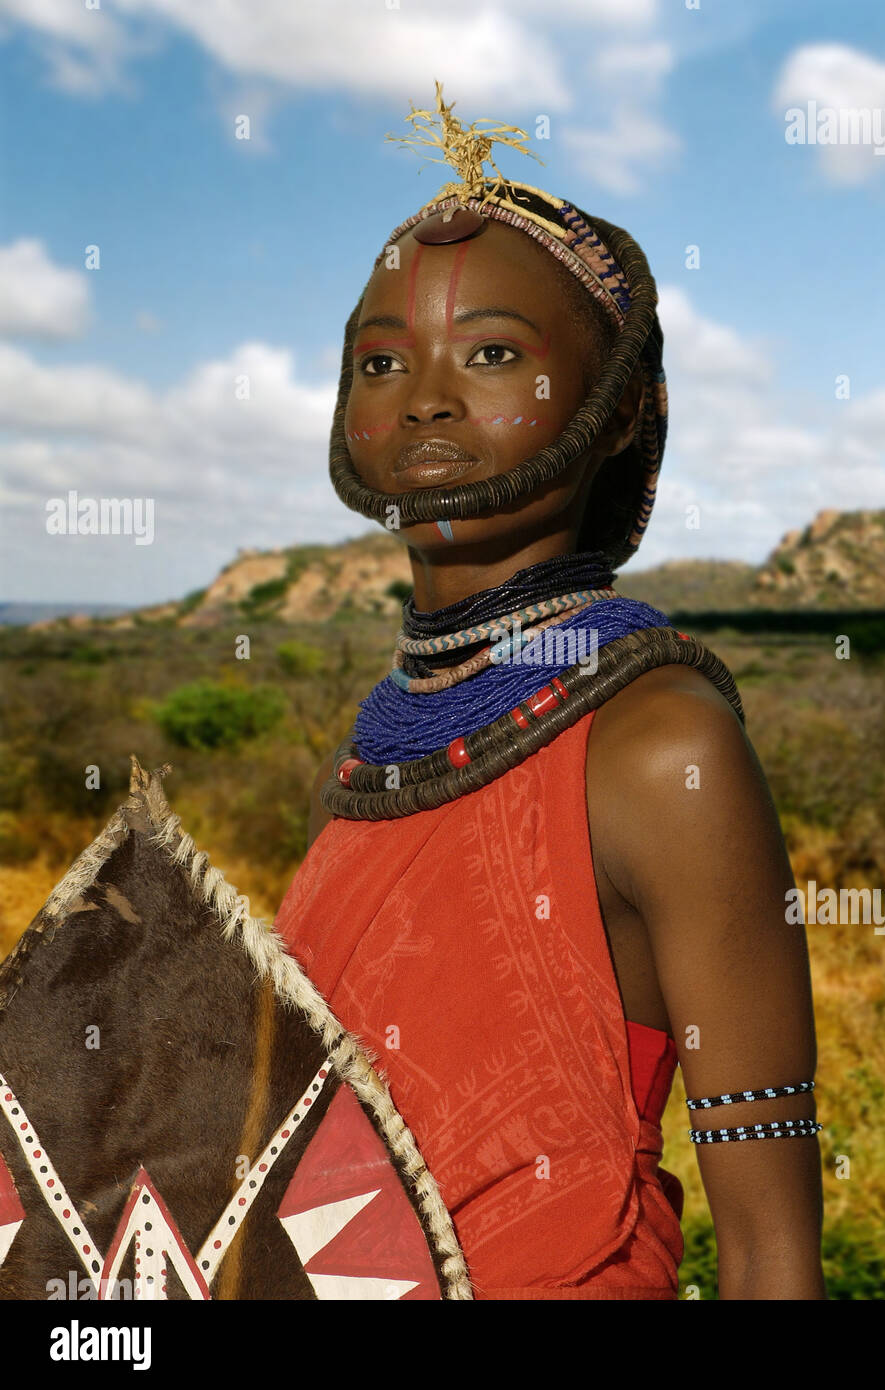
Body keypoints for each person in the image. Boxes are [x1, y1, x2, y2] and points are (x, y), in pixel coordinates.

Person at [274, 85, 825, 1300]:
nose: (424, 396)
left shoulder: (659, 746)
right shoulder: (378, 759)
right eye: (381, 360)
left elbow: (774, 1259)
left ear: (617, 404)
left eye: (492, 354)